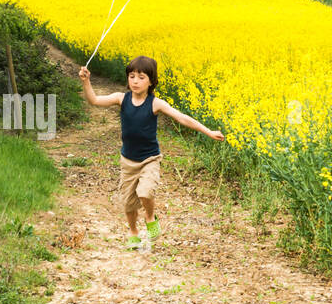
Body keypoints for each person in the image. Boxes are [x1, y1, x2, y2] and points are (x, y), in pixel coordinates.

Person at [78, 56, 224, 249]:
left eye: (141, 77)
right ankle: (133, 231)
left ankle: (149, 217)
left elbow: (182, 118)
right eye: (132, 76)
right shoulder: (121, 99)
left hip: (150, 159)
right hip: (128, 161)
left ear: (151, 81)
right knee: (129, 204)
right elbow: (94, 100)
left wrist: (209, 132)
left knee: (145, 192)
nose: (135, 81)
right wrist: (86, 81)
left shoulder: (156, 104)